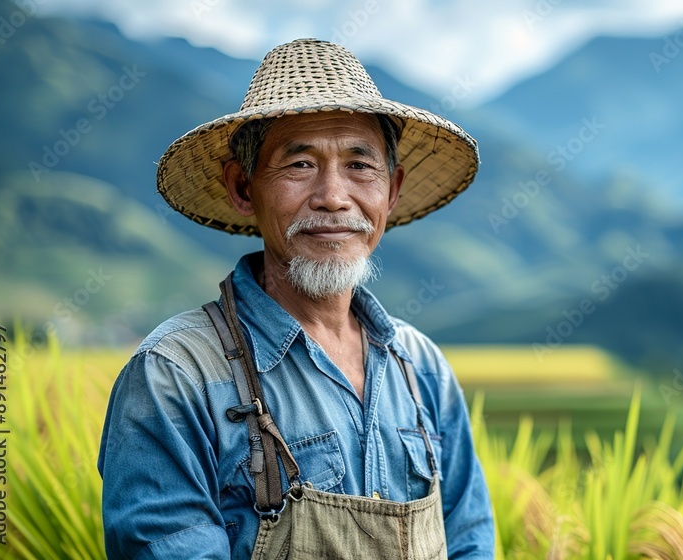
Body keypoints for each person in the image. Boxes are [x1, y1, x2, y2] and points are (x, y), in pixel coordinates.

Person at [97, 38, 494, 559]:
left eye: (360, 166)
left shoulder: (420, 368)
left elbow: (468, 540)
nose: (333, 197)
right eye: (300, 164)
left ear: (391, 191)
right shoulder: (174, 376)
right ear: (243, 188)